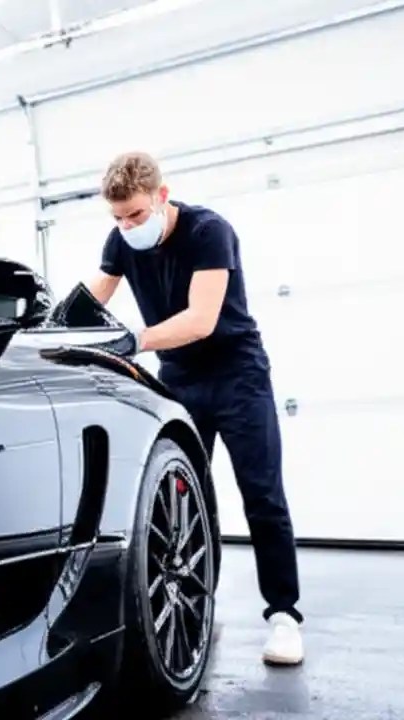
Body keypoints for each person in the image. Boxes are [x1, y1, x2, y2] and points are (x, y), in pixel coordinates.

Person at [85, 151, 304, 666]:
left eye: (136, 214)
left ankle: (284, 616)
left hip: (237, 375)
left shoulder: (209, 231)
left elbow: (201, 319)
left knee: (262, 495)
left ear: (161, 196)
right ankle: (196, 605)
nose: (127, 226)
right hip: (179, 379)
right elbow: (93, 299)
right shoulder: (120, 239)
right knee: (182, 505)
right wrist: (47, 332)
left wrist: (132, 340)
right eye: (118, 218)